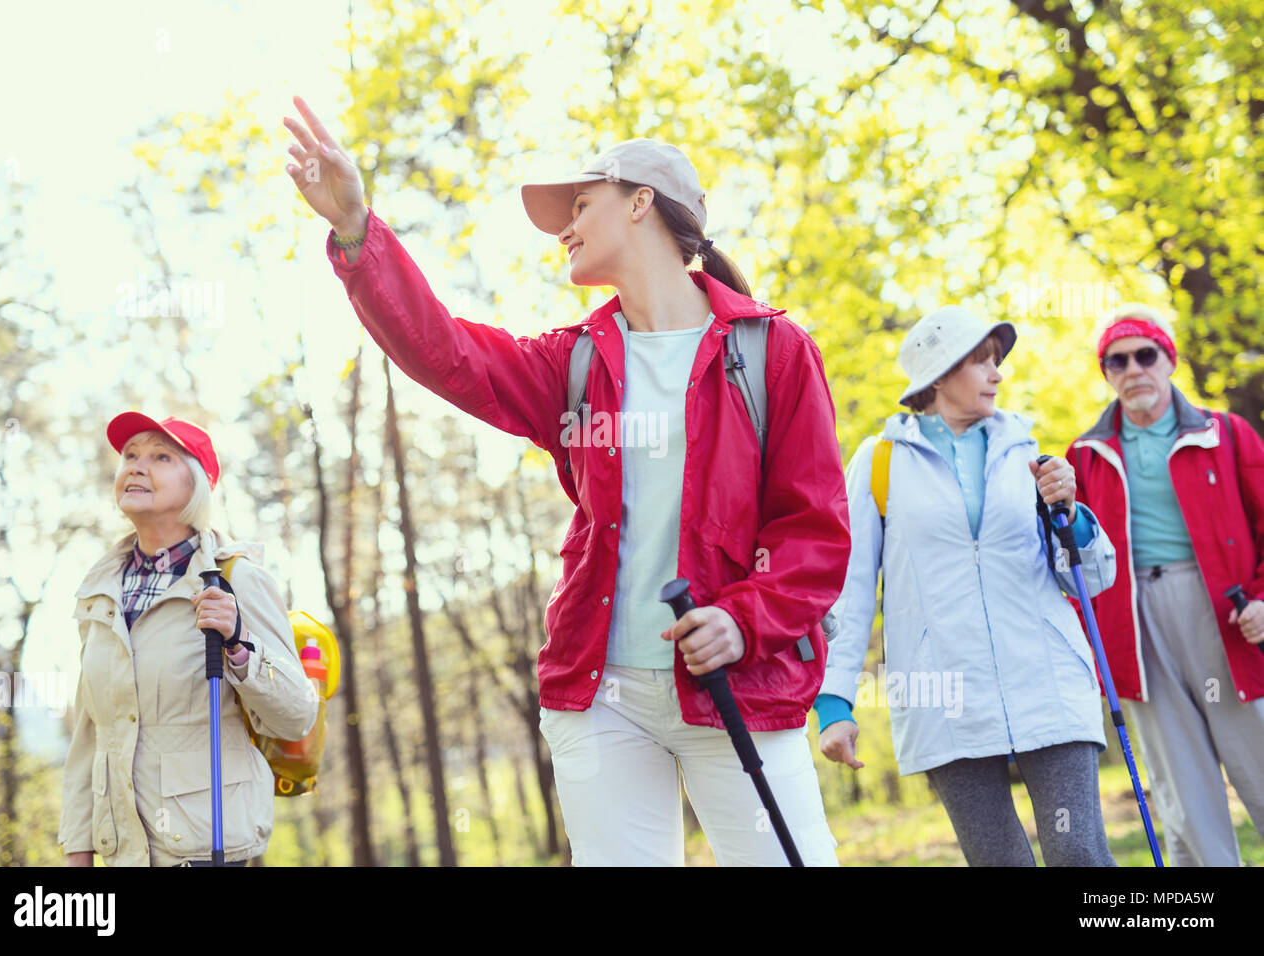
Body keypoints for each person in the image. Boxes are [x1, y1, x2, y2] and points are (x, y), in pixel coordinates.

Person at [283, 97, 849, 865]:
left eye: (581, 205)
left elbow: (813, 532)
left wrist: (743, 621)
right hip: (602, 693)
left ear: (643, 202)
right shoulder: (574, 360)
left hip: (739, 685)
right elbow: (447, 354)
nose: (564, 228)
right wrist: (356, 230)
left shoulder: (773, 350)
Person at [818, 305, 1119, 866]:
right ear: (939, 375)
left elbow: (1092, 577)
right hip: (943, 697)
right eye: (982, 362)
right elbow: (848, 589)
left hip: (1046, 680)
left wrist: (1070, 513)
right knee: (999, 860)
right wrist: (834, 703)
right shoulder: (880, 461)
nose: (997, 375)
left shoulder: (1026, 451)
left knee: (1079, 853)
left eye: (997, 362)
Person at [57, 413, 317, 866]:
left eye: (161, 456)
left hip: (206, 849)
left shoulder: (236, 578)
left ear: (196, 483)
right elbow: (91, 737)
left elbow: (296, 716)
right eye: (130, 456)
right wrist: (77, 852)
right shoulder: (99, 593)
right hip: (124, 856)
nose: (136, 467)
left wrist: (238, 641)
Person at [1066, 303, 1264, 866]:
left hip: (1221, 612)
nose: (1133, 370)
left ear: (1168, 361)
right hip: (1133, 620)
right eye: (1117, 361)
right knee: (1179, 780)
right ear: (1106, 373)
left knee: (1256, 751)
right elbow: (1074, 558)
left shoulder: (1224, 432)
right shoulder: (1085, 454)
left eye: (1144, 355)